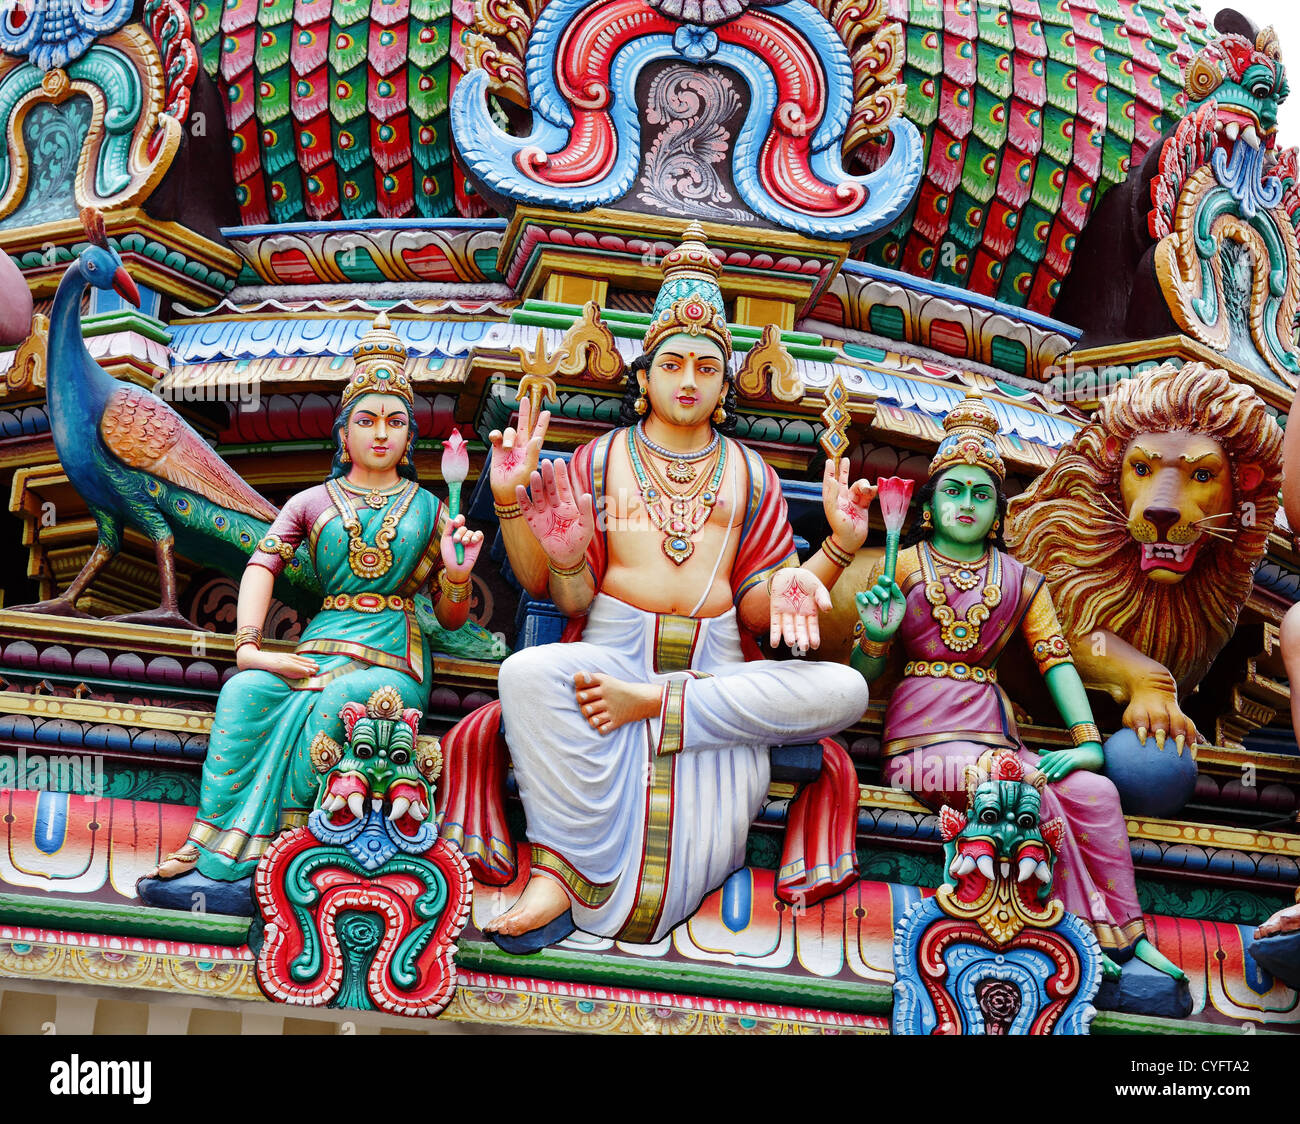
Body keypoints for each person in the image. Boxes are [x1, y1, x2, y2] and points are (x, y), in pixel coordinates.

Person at [482, 225, 872, 949]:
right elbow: (568, 600)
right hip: (609, 654)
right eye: (672, 364)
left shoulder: (750, 473)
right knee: (526, 673)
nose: (688, 379)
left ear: (726, 384)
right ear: (645, 375)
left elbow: (761, 603)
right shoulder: (603, 459)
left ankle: (658, 706)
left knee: (844, 691)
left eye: (705, 366)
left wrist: (832, 558)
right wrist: (523, 515)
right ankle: (559, 872)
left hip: (716, 665)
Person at [138, 313, 483, 907]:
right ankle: (214, 844)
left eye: (396, 422)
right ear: (342, 433)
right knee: (243, 693)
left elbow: (450, 617)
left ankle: (288, 851)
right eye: (367, 420)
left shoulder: (428, 507)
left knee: (334, 705)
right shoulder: (310, 500)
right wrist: (248, 646)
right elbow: (260, 564)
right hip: (320, 641)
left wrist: (456, 574)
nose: (382, 434)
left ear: (412, 436)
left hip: (392, 652)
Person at [853, 391, 1185, 981]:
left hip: (998, 743)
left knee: (1096, 793)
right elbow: (863, 677)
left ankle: (1130, 938)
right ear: (928, 506)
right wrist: (876, 638)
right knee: (1030, 790)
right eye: (953, 490)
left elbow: (1057, 661)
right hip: (923, 749)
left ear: (998, 515)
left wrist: (1087, 742)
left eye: (982, 495)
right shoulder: (902, 565)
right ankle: (1085, 937)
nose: (967, 504)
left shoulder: (1021, 580)